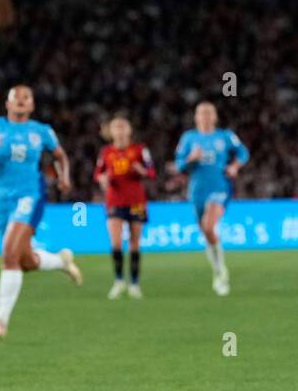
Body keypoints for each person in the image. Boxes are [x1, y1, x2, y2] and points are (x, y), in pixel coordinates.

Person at [0, 85, 83, 338]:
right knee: (24, 261)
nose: (21, 101)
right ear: (7, 103)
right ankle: (61, 260)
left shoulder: (41, 131)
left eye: (26, 97)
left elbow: (61, 156)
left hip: (30, 196)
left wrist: (64, 176)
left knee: (9, 255)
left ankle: (0, 322)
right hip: (1, 200)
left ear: (32, 105)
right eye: (16, 97)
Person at [173, 101, 248, 296]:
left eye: (209, 113)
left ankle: (221, 273)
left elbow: (243, 152)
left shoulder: (225, 136)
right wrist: (191, 158)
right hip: (197, 190)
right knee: (207, 233)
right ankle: (218, 270)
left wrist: (234, 167)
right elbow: (179, 165)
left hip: (220, 187)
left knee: (209, 226)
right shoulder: (189, 138)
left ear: (214, 117)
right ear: (196, 117)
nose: (205, 116)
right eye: (201, 113)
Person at [95, 115, 156, 298]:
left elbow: (152, 172)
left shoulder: (140, 150)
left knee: (135, 243)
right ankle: (119, 280)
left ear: (129, 130)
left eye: (123, 127)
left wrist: (143, 171)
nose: (120, 130)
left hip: (136, 202)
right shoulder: (106, 152)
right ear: (110, 132)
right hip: (114, 201)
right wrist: (103, 179)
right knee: (115, 242)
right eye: (116, 127)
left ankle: (134, 283)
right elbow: (97, 174)